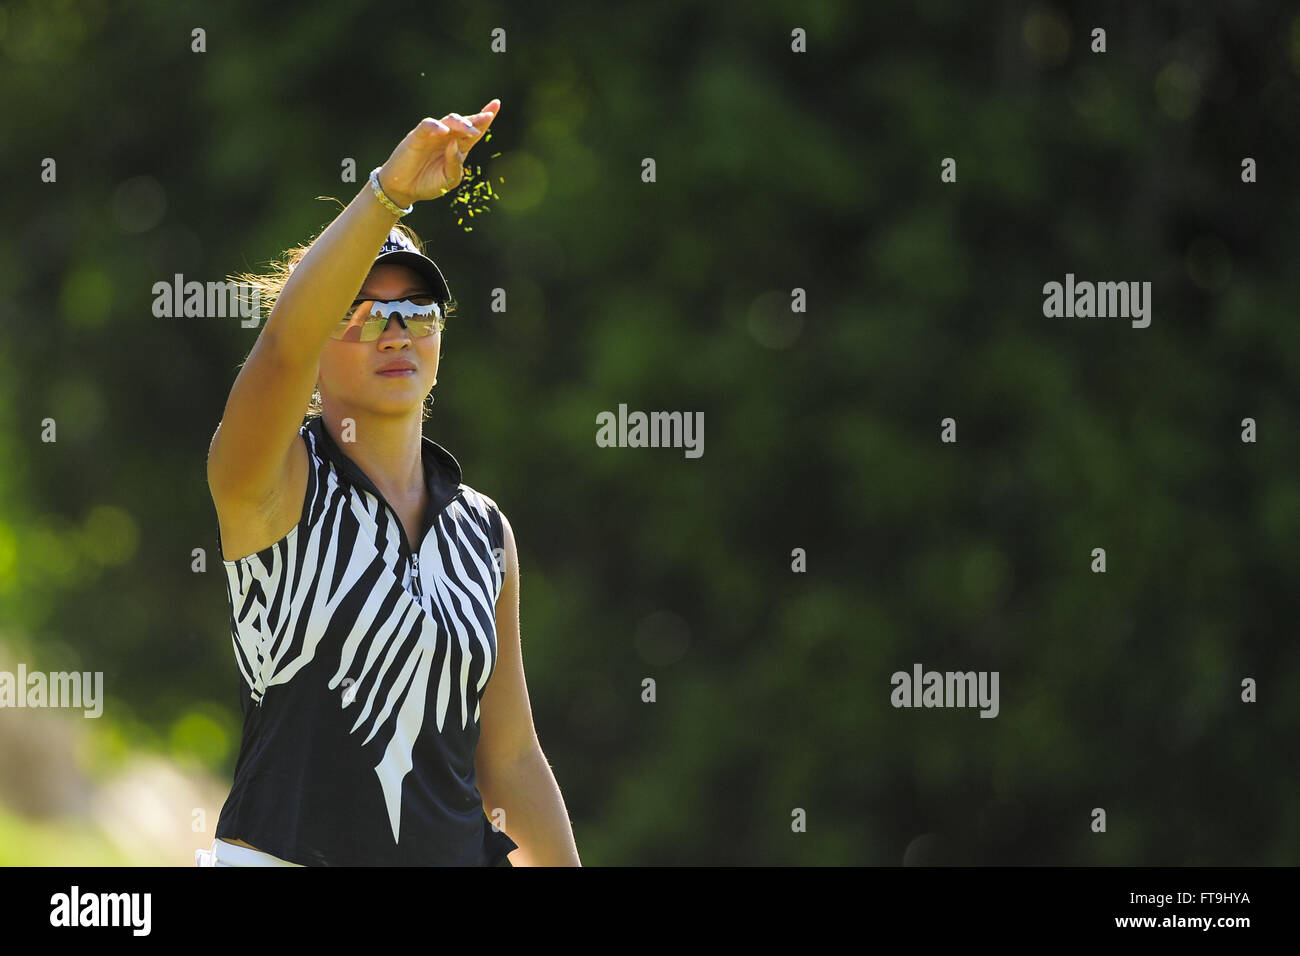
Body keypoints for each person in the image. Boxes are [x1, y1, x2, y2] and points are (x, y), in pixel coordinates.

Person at [200, 102, 580, 866]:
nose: (398, 328)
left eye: (417, 311)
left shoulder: (482, 530)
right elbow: (280, 348)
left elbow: (508, 759)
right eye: (366, 313)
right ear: (321, 337)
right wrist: (387, 195)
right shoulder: (272, 483)